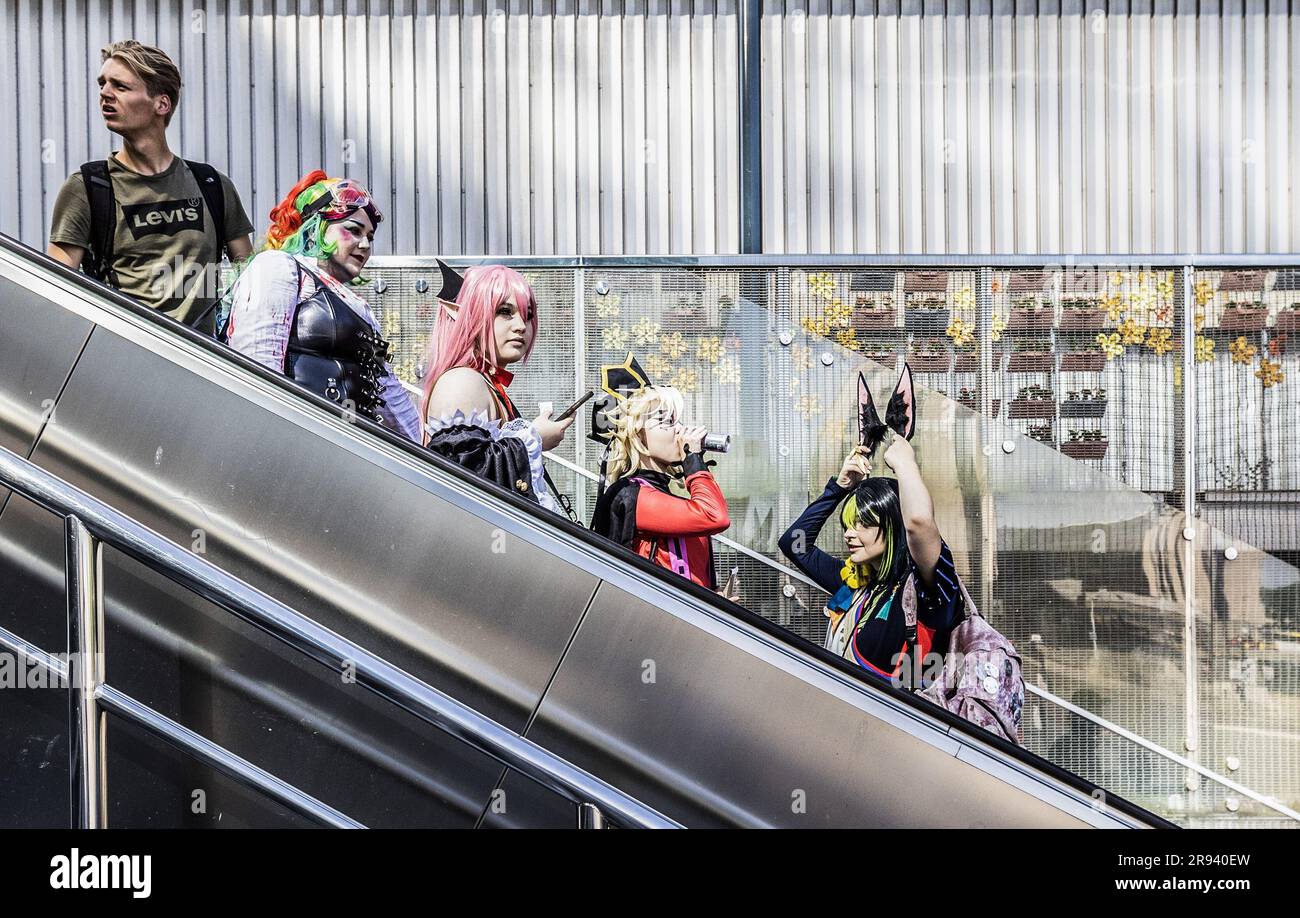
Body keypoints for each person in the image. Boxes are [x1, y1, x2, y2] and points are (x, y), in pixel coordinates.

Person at [47, 40, 254, 332]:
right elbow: (57, 290)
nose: (105, 93)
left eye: (120, 86)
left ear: (162, 103)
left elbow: (251, 283)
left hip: (206, 364)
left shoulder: (212, 185)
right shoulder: (88, 188)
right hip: (125, 358)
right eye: (102, 84)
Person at [778, 366, 962, 682]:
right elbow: (794, 543)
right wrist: (839, 487)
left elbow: (918, 522)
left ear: (893, 527)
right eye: (848, 524)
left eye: (863, 523)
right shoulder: (856, 584)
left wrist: (905, 462)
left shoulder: (927, 592)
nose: (850, 533)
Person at [221, 170, 421, 441]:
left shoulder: (361, 307)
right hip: (290, 445)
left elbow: (391, 395)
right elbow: (257, 365)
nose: (365, 244)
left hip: (347, 451)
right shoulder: (278, 266)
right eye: (353, 230)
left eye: (370, 237)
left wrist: (427, 452)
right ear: (315, 227)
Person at [420, 262, 573, 510]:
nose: (521, 326)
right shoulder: (463, 381)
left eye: (528, 315)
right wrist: (534, 438)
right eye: (505, 311)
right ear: (469, 315)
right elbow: (462, 480)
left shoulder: (483, 382)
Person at [588, 355, 730, 589]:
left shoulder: (658, 494)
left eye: (677, 421)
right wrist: (693, 462)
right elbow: (715, 516)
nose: (679, 430)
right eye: (665, 422)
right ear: (637, 435)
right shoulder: (634, 494)